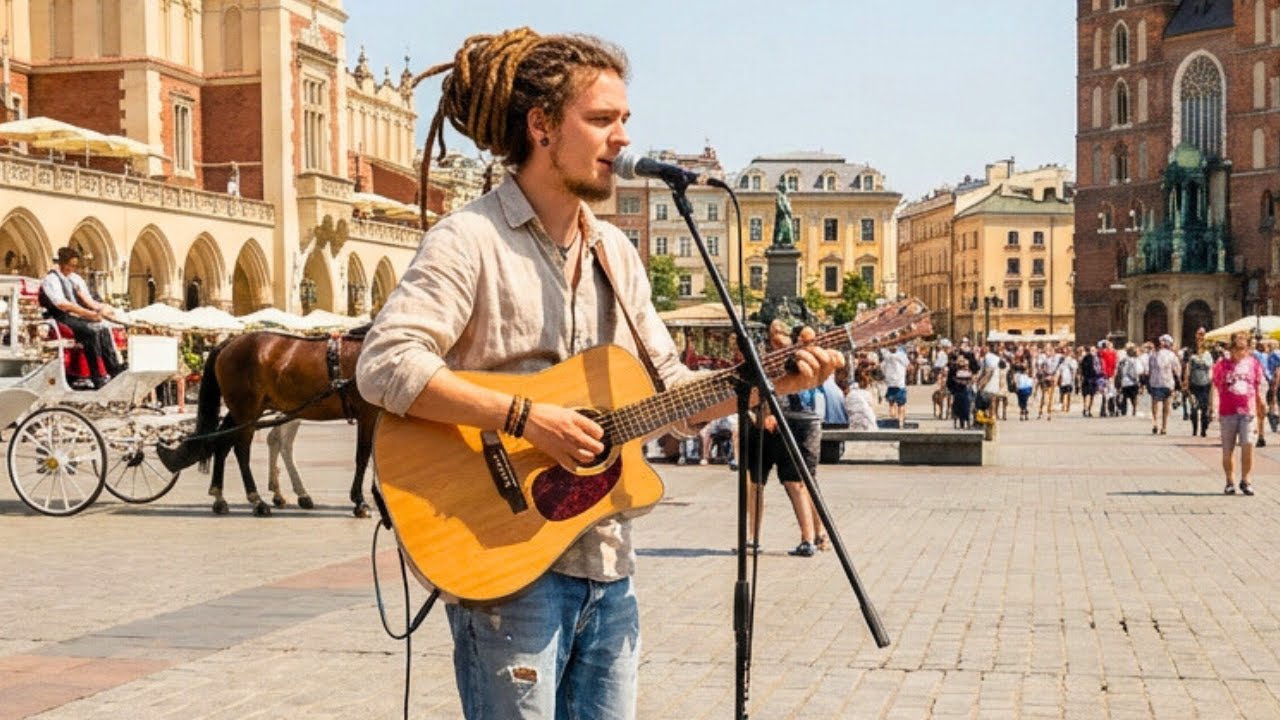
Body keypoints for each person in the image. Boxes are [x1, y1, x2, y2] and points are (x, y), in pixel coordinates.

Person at [352, 29, 840, 719]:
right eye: (602, 120)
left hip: (609, 568)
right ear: (542, 127)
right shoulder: (470, 240)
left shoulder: (616, 251)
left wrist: (763, 385)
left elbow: (672, 395)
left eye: (625, 122)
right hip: (507, 569)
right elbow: (386, 363)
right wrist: (526, 419)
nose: (621, 138)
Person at [38, 246, 125, 388]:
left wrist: (101, 310)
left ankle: (113, 368)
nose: (72, 268)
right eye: (70, 265)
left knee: (103, 327)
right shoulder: (51, 279)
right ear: (62, 263)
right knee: (90, 331)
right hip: (60, 317)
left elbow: (88, 300)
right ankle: (97, 376)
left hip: (76, 316)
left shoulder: (74, 279)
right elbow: (62, 304)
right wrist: (88, 314)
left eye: (74, 266)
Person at [1213, 331, 1266, 495]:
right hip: (1227, 410)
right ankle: (1229, 481)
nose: (1240, 351)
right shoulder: (1222, 365)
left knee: (1248, 444)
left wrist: (1261, 402)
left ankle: (1246, 480)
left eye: (1243, 348)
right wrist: (1213, 405)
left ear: (1248, 348)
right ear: (1231, 348)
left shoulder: (1254, 364)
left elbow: (1259, 385)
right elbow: (1215, 386)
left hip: (1248, 411)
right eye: (1236, 348)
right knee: (1228, 448)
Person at [1183, 327, 1214, 437]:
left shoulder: (1210, 352)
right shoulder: (1190, 351)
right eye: (1199, 334)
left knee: (1204, 408)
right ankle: (1195, 429)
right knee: (1194, 408)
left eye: (1203, 334)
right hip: (1194, 384)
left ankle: (1203, 429)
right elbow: (1187, 367)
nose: (1201, 336)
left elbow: (1212, 368)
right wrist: (1185, 381)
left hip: (1205, 384)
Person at [1148, 334, 1182, 435]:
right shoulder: (1172, 355)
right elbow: (1177, 369)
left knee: (1155, 403)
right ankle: (1164, 427)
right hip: (1167, 382)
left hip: (1155, 382)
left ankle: (1155, 423)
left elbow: (1149, 369)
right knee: (1166, 405)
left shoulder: (1153, 355)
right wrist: (1179, 380)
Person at [881, 343, 909, 427]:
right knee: (901, 405)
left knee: (891, 405)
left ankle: (894, 421)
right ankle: (900, 422)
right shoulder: (901, 355)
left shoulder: (886, 357)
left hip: (890, 385)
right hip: (900, 385)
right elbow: (907, 364)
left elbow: (882, 368)